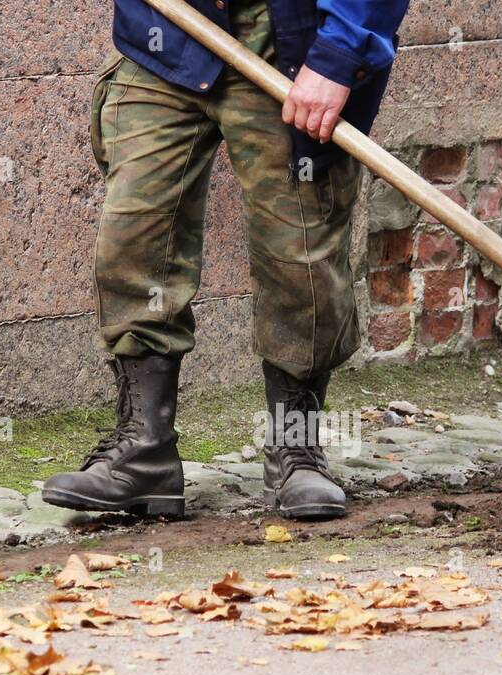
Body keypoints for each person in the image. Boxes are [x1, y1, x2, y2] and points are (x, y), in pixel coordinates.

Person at [42, 0, 410, 520]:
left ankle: (296, 452)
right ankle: (144, 452)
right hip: (167, 34)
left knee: (299, 259)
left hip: (291, 43)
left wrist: (337, 56)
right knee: (134, 237)